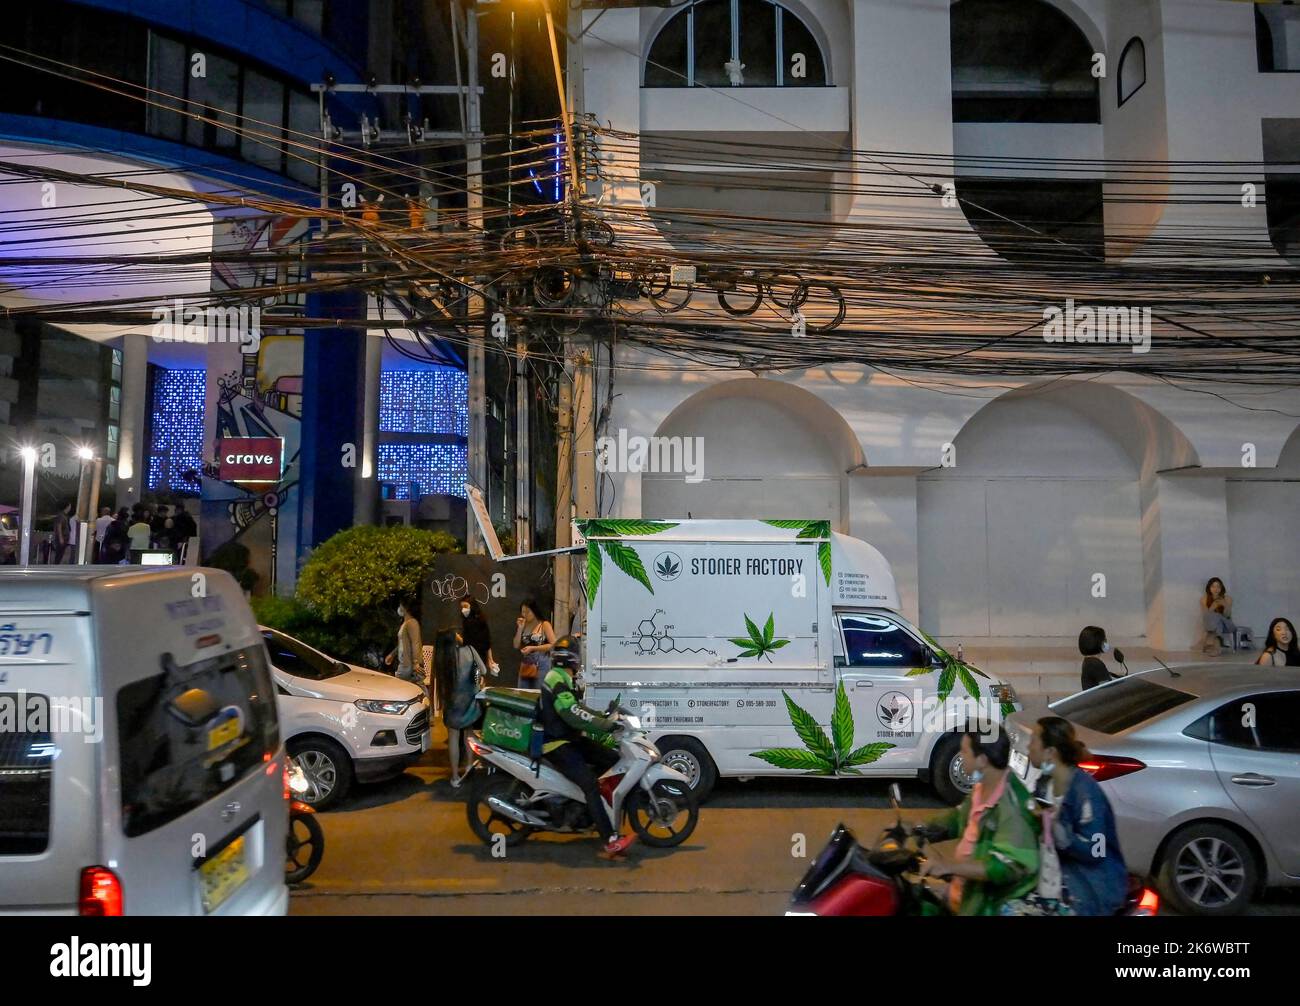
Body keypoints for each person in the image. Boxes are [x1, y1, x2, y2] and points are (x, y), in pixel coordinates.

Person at [1002, 717, 1127, 917]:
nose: (1029, 746)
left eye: (1034, 740)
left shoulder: (1086, 793)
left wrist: (1056, 827)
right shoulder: (1045, 784)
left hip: (1084, 892)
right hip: (1051, 885)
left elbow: (1097, 850)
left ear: (1050, 752)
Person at [919, 728, 1039, 916]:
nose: (960, 755)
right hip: (964, 893)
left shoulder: (1012, 807)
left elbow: (1005, 866)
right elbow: (959, 818)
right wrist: (919, 828)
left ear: (982, 760)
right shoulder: (982, 787)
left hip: (990, 905)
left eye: (965, 751)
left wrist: (947, 866)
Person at [540, 637, 636, 861]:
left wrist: (604, 716)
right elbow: (572, 713)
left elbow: (578, 709)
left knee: (611, 757)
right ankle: (610, 840)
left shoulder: (564, 678)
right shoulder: (556, 679)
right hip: (557, 743)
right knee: (590, 785)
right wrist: (604, 725)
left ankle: (599, 811)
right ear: (572, 659)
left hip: (570, 738)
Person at [437, 630, 486, 789]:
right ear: (455, 638)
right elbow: (483, 670)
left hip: (452, 704)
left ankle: (455, 777)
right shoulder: (470, 650)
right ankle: (469, 767)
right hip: (469, 700)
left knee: (453, 737)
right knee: (469, 734)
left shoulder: (443, 658)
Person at [385, 596, 426, 692]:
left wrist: (416, 664)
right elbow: (403, 643)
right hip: (405, 664)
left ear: (405, 607)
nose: (399, 607)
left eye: (400, 605)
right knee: (415, 689)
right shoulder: (406, 623)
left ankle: (427, 705)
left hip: (409, 665)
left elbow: (415, 643)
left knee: (405, 689)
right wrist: (392, 654)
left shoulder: (412, 623)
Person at [514, 598, 555, 688]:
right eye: (523, 612)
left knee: (539, 691)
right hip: (527, 663)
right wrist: (519, 629)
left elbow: (553, 644)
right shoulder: (523, 625)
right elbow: (516, 645)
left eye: (528, 612)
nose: (525, 615)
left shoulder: (544, 624)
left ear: (534, 611)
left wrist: (533, 648)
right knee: (523, 691)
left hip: (541, 663)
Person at [460, 598, 498, 676]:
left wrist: (490, 659)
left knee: (478, 679)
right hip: (468, 657)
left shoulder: (480, 621)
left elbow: (487, 642)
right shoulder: (466, 621)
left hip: (479, 656)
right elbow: (467, 642)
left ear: (472, 606)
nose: (463, 609)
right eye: (462, 607)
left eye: (465, 606)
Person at [1200, 577, 1235, 656]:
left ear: (1221, 588)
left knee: (1217, 617)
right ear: (1209, 588)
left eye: (1218, 586)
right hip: (1214, 626)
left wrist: (1225, 605)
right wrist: (1213, 606)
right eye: (1213, 586)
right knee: (1215, 619)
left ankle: (1210, 641)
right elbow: (1206, 616)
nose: (1216, 589)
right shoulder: (1204, 599)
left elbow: (1228, 615)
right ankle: (1217, 645)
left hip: (1227, 625)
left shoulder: (1227, 598)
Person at [1078, 625, 1116, 690]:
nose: (1106, 643)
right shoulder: (1095, 664)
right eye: (1104, 640)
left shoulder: (1088, 662)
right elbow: (1107, 689)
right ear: (1097, 642)